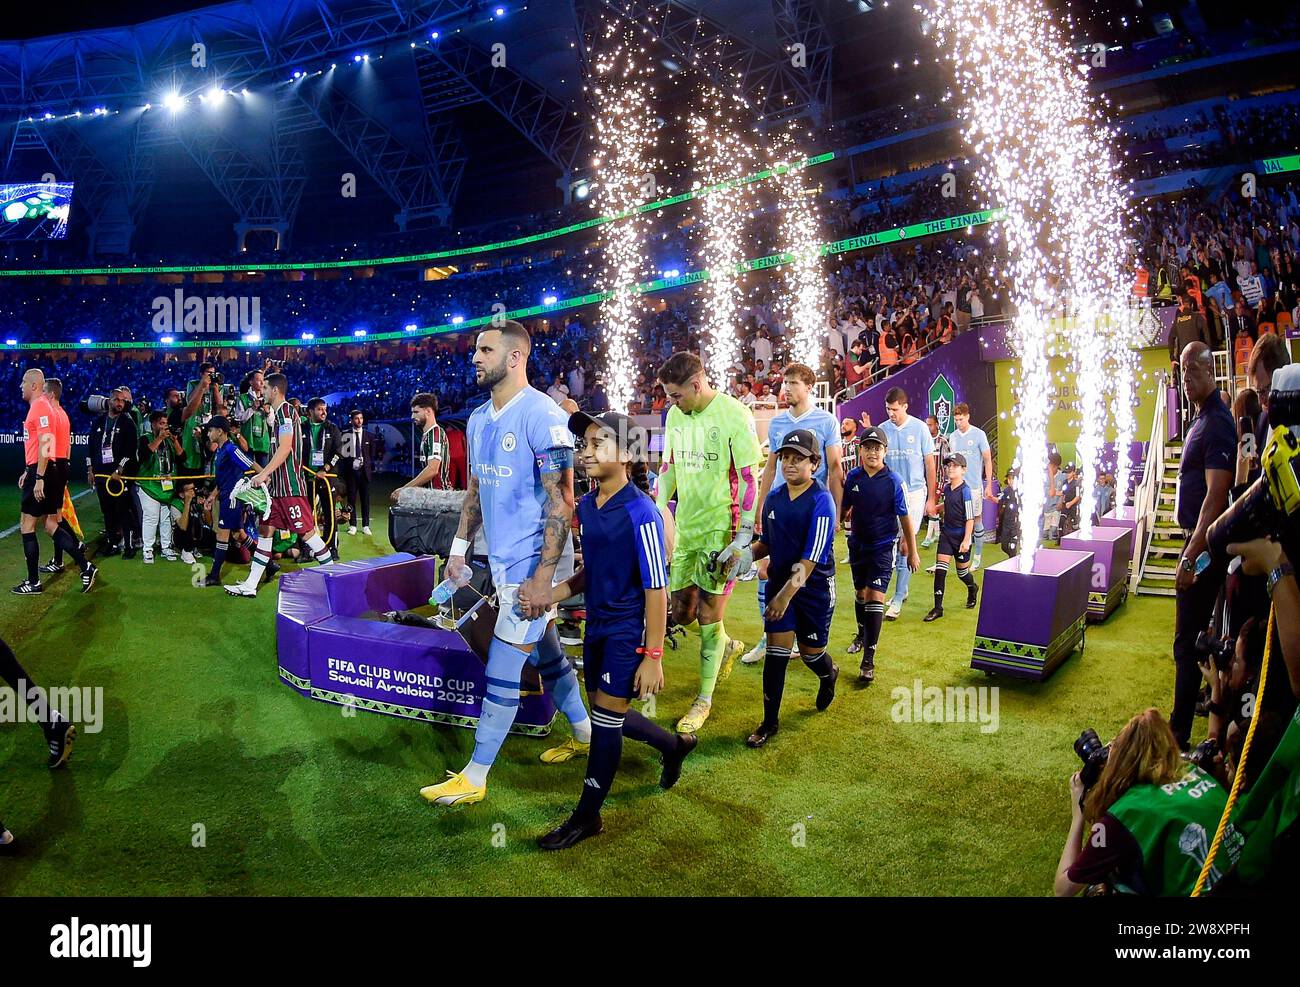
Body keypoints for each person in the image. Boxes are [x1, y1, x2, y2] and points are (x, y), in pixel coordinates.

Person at [417, 321, 593, 807]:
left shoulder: (543, 415)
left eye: (485, 350)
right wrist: (457, 551)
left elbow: (562, 500)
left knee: (503, 663)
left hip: (538, 565)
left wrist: (541, 577)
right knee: (549, 655)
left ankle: (475, 776)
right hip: (501, 561)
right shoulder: (477, 420)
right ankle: (586, 735)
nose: (475, 357)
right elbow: (475, 491)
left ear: (515, 358)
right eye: (476, 349)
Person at [530, 410, 695, 850]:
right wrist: (555, 592)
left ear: (626, 454)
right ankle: (673, 745)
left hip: (626, 632)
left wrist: (653, 655)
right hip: (596, 625)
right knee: (610, 715)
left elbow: (656, 590)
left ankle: (586, 818)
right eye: (583, 444)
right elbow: (592, 572)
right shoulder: (587, 505)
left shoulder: (642, 513)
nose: (585, 452)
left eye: (597, 444)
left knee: (604, 725)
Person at [655, 350, 761, 734]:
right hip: (687, 530)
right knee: (681, 614)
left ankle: (703, 700)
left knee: (707, 615)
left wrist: (744, 537)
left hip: (722, 530)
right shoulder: (675, 416)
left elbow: (750, 478)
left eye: (676, 395)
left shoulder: (735, 415)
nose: (671, 402)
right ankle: (728, 645)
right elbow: (668, 468)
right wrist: (656, 509)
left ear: (696, 385)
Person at [1054, 709, 1231, 896]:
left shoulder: (1123, 815)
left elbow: (1063, 889)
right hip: (1248, 880)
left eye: (1113, 746)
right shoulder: (1194, 772)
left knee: (1099, 889)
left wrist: (1078, 814)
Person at [744, 429, 839, 747]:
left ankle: (828, 675)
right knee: (776, 655)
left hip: (812, 590)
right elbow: (766, 544)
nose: (789, 464)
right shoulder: (773, 498)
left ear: (814, 462)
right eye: (784, 457)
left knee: (813, 655)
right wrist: (738, 557)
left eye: (797, 458)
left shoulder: (822, 500)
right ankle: (769, 723)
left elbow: (811, 558)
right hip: (779, 588)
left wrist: (786, 595)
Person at [743, 363, 842, 666]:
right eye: (785, 382)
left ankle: (805, 636)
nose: (787, 388)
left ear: (809, 386)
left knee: (806, 568)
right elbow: (769, 468)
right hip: (778, 507)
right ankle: (771, 632)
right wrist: (760, 506)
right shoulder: (776, 424)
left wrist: (835, 512)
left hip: (810, 511)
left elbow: (835, 467)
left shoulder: (826, 421)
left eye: (794, 383)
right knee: (766, 569)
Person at [1170, 341, 1235, 749]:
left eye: (1193, 372)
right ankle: (1186, 723)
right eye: (1183, 373)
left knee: (1186, 642)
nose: (1187, 380)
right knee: (1191, 641)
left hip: (1205, 545)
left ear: (1209, 372)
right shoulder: (1200, 420)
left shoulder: (1217, 422)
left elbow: (1217, 494)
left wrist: (1191, 555)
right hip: (1200, 542)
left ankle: (1177, 736)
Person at [224, 374, 334, 597]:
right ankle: (250, 585)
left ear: (274, 390)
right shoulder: (279, 415)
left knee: (308, 534)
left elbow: (285, 449)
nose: (261, 390)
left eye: (264, 387)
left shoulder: (286, 411)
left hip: (290, 489)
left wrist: (264, 473)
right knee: (265, 532)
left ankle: (334, 578)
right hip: (277, 490)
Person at [841, 426, 919, 682]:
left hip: (883, 548)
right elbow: (844, 509)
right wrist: (839, 523)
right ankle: (861, 634)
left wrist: (912, 550)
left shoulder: (894, 481)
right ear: (860, 450)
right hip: (858, 546)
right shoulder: (853, 478)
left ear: (885, 451)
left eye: (877, 448)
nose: (872, 452)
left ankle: (868, 660)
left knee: (875, 596)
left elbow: (905, 517)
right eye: (868, 447)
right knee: (860, 594)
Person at [15, 369, 96, 595]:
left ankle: (33, 582)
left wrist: (38, 476)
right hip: (44, 468)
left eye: (23, 382)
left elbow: (46, 441)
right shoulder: (43, 406)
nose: (20, 385)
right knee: (51, 524)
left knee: (27, 525)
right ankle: (86, 566)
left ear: (34, 385)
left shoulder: (40, 405)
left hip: (42, 471)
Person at [879, 387, 936, 620]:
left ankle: (899, 597)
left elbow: (930, 464)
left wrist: (931, 498)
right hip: (890, 493)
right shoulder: (882, 430)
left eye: (894, 409)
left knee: (906, 544)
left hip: (913, 493)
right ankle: (901, 588)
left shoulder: (920, 428)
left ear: (904, 406)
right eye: (888, 409)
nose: (891, 413)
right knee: (889, 542)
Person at [202, 417, 264, 587]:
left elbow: (251, 464)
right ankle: (268, 563)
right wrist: (213, 494)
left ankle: (214, 575)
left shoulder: (231, 449)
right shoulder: (221, 450)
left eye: (210, 430)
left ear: (220, 431)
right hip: (226, 496)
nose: (208, 433)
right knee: (238, 534)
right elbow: (224, 479)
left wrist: (266, 476)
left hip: (232, 499)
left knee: (222, 535)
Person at [923, 453, 979, 622]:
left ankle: (972, 587)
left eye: (955, 466)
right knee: (940, 571)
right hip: (947, 535)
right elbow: (949, 504)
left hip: (961, 536)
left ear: (964, 470)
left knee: (962, 573)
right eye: (948, 466)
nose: (950, 469)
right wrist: (938, 507)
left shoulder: (966, 491)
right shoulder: (947, 488)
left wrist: (967, 539)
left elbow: (970, 518)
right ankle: (938, 607)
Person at [37, 377, 85, 576]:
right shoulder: (63, 414)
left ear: (51, 394)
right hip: (63, 464)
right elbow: (68, 445)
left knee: (51, 520)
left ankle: (70, 552)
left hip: (54, 465)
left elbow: (48, 443)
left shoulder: (52, 415)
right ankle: (68, 551)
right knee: (56, 516)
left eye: (44, 393)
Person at [86, 387, 139, 559]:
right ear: (109, 401)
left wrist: (120, 469)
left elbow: (131, 449)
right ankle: (112, 543)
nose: (119, 403)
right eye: (116, 399)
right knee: (107, 511)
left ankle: (129, 545)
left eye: (123, 401)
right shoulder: (98, 422)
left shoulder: (127, 422)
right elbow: (91, 447)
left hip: (119, 476)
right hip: (101, 475)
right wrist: (90, 469)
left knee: (123, 510)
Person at [946, 403, 994, 568]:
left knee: (975, 520)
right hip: (957, 487)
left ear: (967, 417)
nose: (958, 422)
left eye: (961, 419)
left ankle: (977, 557)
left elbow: (987, 459)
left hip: (973, 486)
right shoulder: (953, 436)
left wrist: (988, 484)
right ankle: (953, 557)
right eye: (956, 420)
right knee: (956, 521)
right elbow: (952, 462)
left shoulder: (979, 434)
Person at [136, 410, 185, 563]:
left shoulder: (170, 441)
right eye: (161, 424)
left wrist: (175, 441)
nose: (164, 427)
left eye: (166, 424)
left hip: (166, 487)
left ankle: (166, 547)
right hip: (149, 486)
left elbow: (182, 457)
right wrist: (159, 439)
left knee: (165, 518)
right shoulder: (145, 438)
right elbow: (144, 455)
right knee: (151, 517)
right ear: (153, 424)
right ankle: (148, 549)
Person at [392, 392, 449, 501]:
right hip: (431, 496)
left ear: (428, 411)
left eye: (416, 412)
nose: (412, 416)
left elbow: (432, 469)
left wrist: (405, 489)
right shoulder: (427, 435)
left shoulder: (435, 434)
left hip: (438, 497)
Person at [342, 409, 376, 536]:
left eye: (361, 418)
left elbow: (372, 455)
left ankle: (366, 525)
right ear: (351, 420)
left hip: (365, 472)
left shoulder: (370, 436)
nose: (359, 421)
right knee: (351, 500)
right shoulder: (346, 435)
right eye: (356, 418)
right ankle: (352, 525)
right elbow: (344, 456)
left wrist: (367, 466)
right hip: (351, 473)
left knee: (365, 499)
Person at [919, 414, 949, 549]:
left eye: (930, 424)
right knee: (932, 507)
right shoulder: (924, 441)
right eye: (927, 424)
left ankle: (928, 537)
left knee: (932, 506)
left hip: (939, 479)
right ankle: (937, 533)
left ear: (937, 425)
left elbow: (948, 462)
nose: (928, 427)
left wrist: (948, 480)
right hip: (926, 480)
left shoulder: (942, 441)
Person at [232, 369, 272, 467]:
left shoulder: (268, 398)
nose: (262, 382)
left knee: (263, 474)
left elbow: (272, 423)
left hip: (263, 443)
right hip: (247, 441)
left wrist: (268, 413)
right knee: (247, 472)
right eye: (258, 380)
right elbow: (239, 418)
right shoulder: (243, 398)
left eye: (263, 380)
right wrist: (252, 408)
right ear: (251, 382)